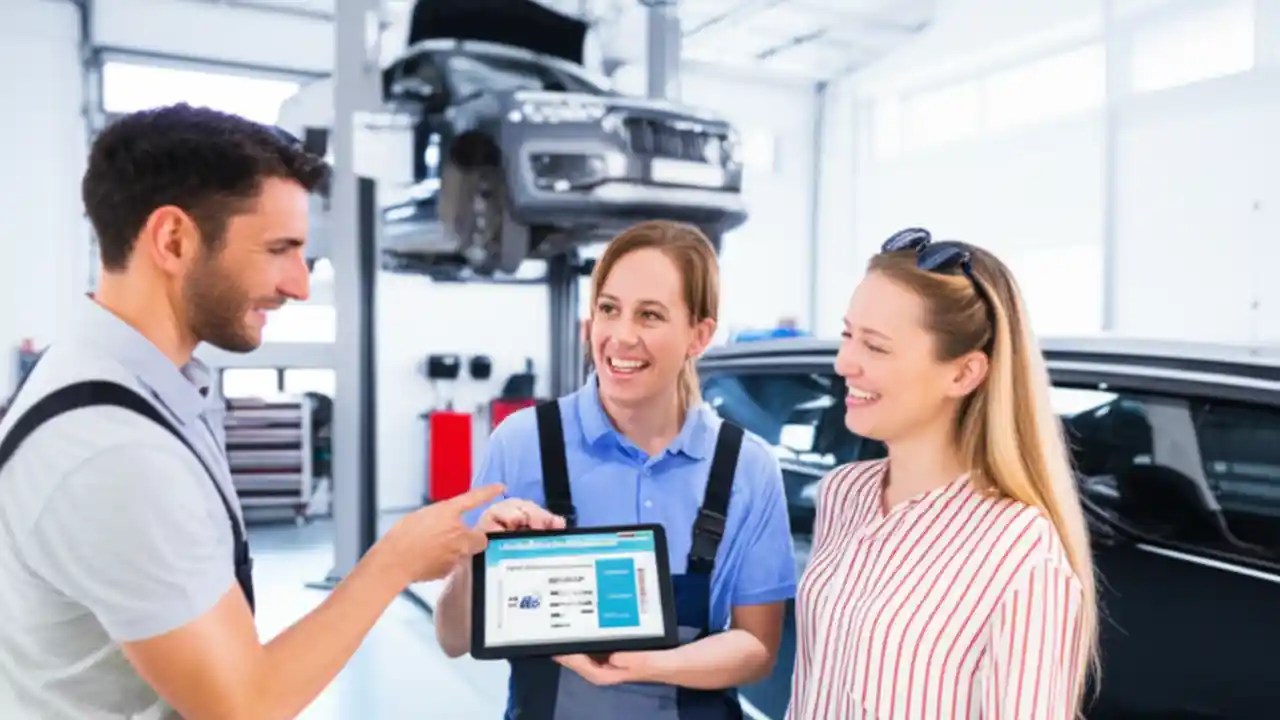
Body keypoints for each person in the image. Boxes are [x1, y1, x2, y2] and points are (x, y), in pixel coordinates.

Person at [0, 103, 502, 719]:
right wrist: (393, 561)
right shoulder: (115, 449)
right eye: (278, 249)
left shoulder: (137, 386)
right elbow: (244, 705)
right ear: (174, 240)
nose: (298, 284)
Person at [433, 220, 798, 719]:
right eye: (609, 309)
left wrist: (643, 665)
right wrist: (476, 559)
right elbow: (453, 638)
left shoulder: (746, 468)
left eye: (650, 315)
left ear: (699, 334)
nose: (621, 337)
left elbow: (758, 649)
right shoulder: (522, 444)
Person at [786, 228, 1098, 720]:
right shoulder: (845, 493)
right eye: (848, 335)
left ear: (963, 374)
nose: (844, 362)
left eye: (876, 347)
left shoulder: (1021, 554)